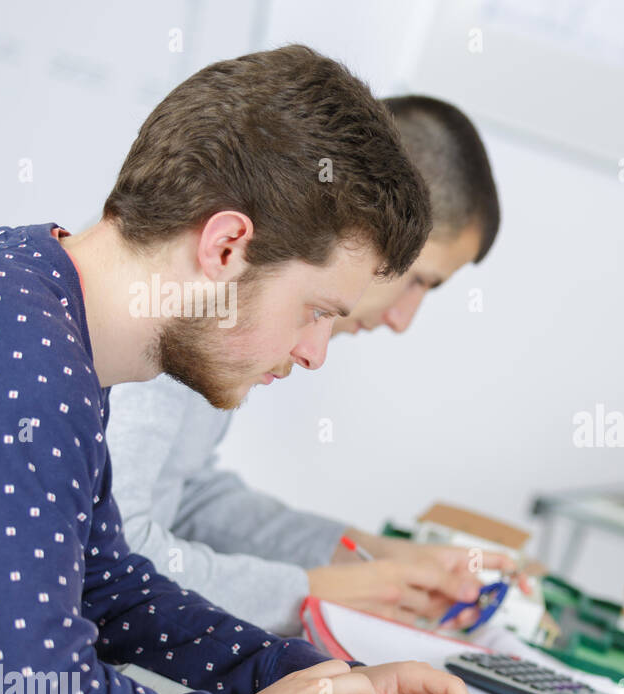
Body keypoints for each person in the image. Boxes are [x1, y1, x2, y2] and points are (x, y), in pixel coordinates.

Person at [0, 46, 480, 694]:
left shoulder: (37, 302)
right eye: (317, 310)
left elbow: (107, 585)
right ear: (225, 246)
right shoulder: (27, 369)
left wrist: (310, 674)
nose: (317, 352)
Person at [105, 95, 509, 636]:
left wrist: (361, 556)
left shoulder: (215, 314)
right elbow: (113, 561)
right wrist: (309, 592)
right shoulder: (163, 311)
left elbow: (185, 495)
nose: (403, 320)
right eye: (417, 278)